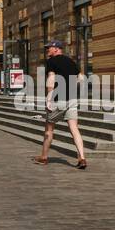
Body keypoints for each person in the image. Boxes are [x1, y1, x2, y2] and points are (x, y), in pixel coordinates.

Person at [35, 39, 88, 169]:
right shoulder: (71, 61)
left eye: (50, 48)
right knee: (74, 129)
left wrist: (49, 98)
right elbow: (81, 79)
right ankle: (82, 158)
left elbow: (51, 79)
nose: (47, 50)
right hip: (72, 100)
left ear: (57, 49)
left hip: (58, 100)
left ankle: (44, 157)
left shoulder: (51, 62)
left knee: (49, 129)